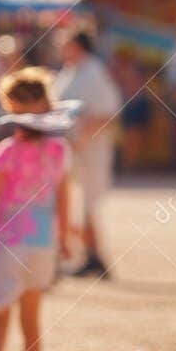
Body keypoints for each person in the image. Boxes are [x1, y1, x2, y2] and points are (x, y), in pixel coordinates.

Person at [0, 69, 72, 351]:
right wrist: (65, 238)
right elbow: (63, 194)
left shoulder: (7, 150)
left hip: (5, 241)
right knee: (31, 323)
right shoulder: (58, 150)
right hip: (41, 239)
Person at [52, 24, 121, 279]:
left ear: (77, 45)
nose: (59, 48)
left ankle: (93, 255)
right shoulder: (71, 72)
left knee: (87, 204)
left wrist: (79, 140)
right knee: (74, 203)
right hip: (70, 151)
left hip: (88, 151)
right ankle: (87, 254)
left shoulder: (93, 72)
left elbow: (107, 113)